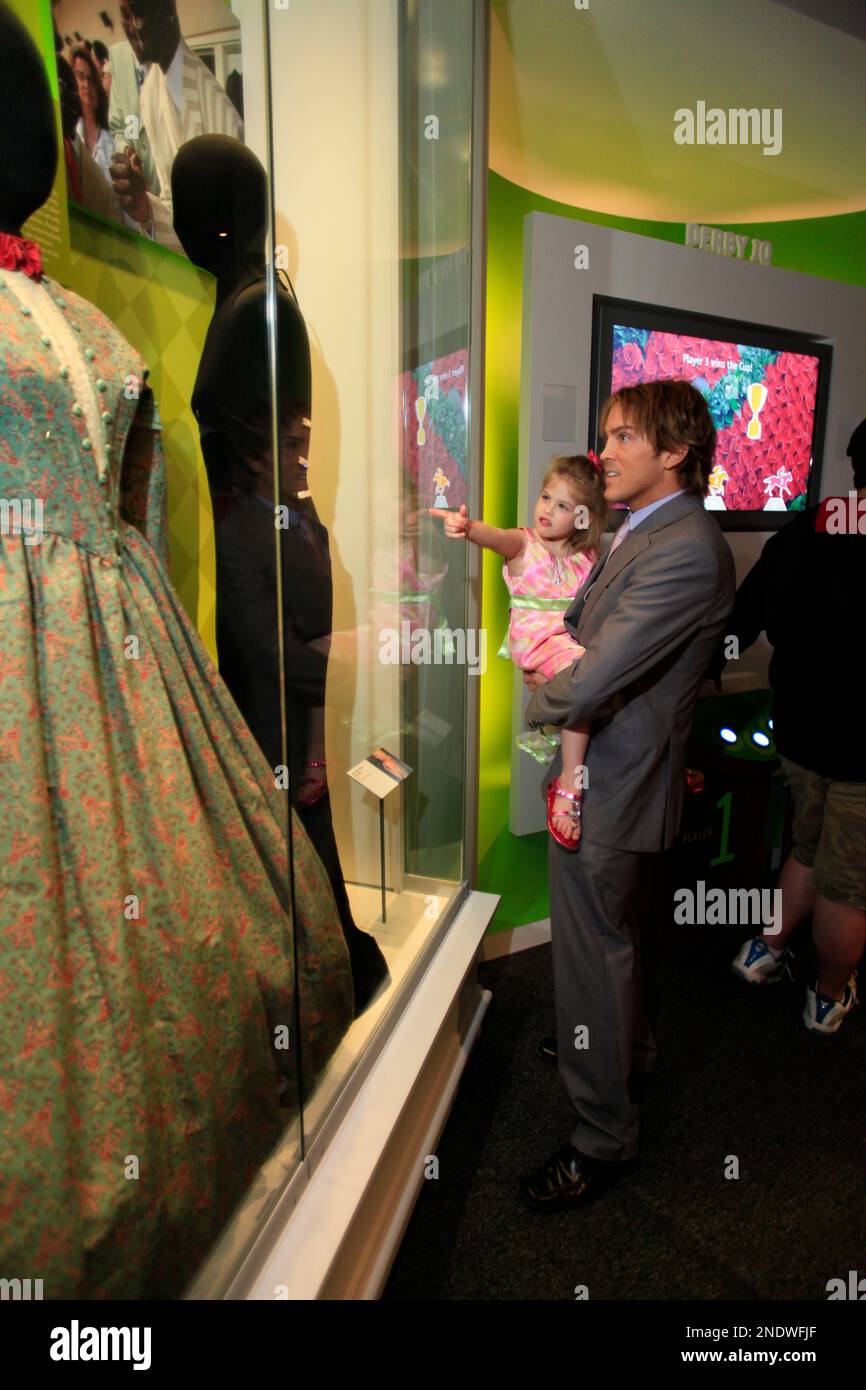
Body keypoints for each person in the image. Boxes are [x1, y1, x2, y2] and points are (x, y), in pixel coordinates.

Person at [0, 4, 352, 1297]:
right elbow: (136, 515)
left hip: (258, 566)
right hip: (163, 604)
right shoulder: (100, 338)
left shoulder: (232, 315)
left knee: (277, 776)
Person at [520, 379, 735, 1211]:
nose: (601, 452)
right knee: (614, 949)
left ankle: (601, 1139)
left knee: (594, 957)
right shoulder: (640, 529)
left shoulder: (683, 546)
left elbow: (594, 672)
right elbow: (581, 628)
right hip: (603, 777)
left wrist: (535, 694)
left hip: (611, 787)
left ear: (675, 452)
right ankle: (618, 1051)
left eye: (620, 438)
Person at [719, 421, 865, 1033]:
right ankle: (829, 995)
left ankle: (767, 949)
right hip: (860, 750)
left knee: (807, 844)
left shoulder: (809, 526)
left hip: (799, 730)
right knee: (849, 885)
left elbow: (741, 620)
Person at [429, 455, 607, 846]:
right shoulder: (524, 543)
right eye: (546, 497)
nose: (547, 510)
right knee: (585, 678)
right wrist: (469, 527)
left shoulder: (588, 557)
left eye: (563, 506)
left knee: (587, 679)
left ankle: (560, 736)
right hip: (537, 640)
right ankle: (570, 781)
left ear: (583, 519)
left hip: (565, 641)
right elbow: (496, 536)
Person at [109, 0, 242, 254]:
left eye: (139, 12)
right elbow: (174, 205)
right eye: (125, 16)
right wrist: (145, 210)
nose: (133, 28)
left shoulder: (215, 105)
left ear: (168, 11)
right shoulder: (150, 92)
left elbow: (225, 227)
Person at [70, 45, 113, 182]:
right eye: (81, 76)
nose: (86, 84)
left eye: (90, 79)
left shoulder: (111, 131)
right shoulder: (69, 134)